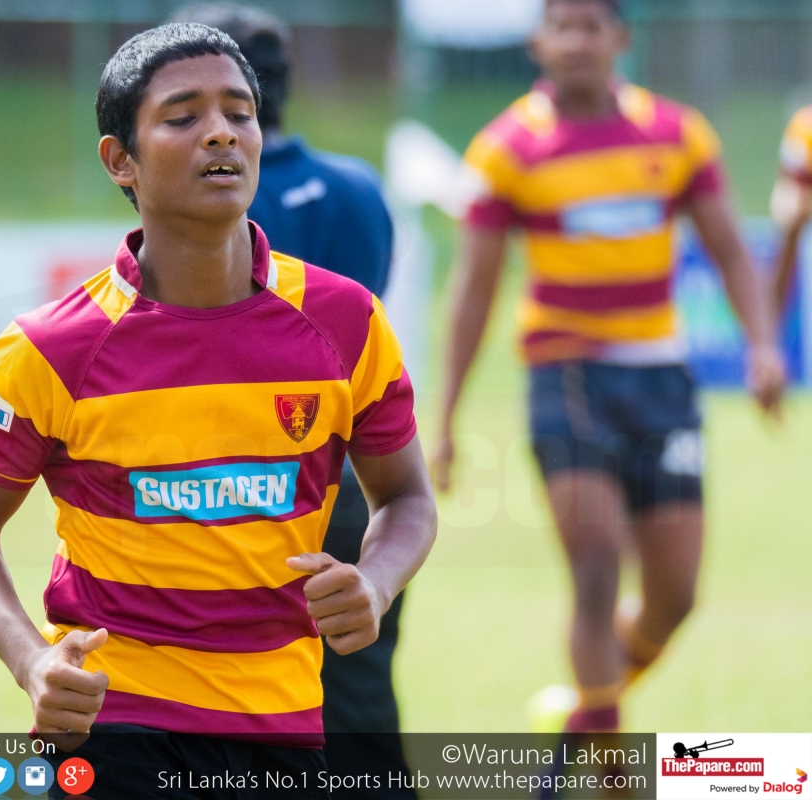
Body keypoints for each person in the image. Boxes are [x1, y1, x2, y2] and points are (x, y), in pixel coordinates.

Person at [0, 22, 437, 800]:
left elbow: (406, 498)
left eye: (239, 112)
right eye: (183, 116)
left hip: (285, 730)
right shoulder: (51, 348)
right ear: (119, 160)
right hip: (116, 731)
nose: (220, 134)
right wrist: (32, 659)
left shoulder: (347, 322)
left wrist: (377, 580)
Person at [433, 0, 785, 733]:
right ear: (538, 42)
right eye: (562, 24)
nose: (577, 40)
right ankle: (612, 762)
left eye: (592, 24)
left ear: (620, 37)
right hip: (566, 375)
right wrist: (444, 417)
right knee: (596, 569)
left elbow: (728, 249)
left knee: (676, 595)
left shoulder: (676, 133)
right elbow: (473, 289)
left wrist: (761, 345)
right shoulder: (505, 149)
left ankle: (584, 718)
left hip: (662, 378)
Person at [169, 4, 411, 792]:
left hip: (239, 474)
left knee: (228, 697)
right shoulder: (357, 188)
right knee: (358, 684)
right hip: (349, 466)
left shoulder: (210, 190)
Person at [770, 105, 812, 327]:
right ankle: (770, 326)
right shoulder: (804, 125)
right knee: (790, 218)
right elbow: (790, 189)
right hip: (802, 198)